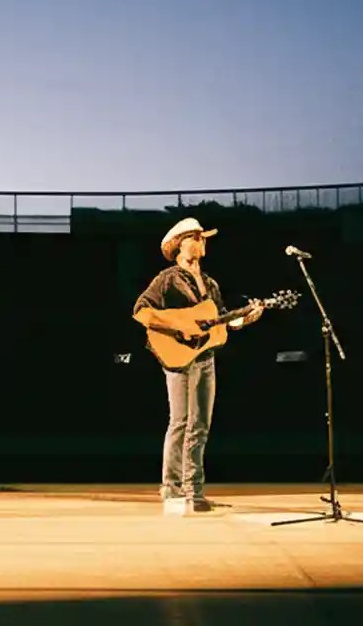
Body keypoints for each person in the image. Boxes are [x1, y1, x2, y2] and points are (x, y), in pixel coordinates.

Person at [132, 217, 262, 511]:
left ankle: (196, 492)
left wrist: (246, 317)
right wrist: (180, 326)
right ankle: (172, 487)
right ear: (181, 243)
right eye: (196, 237)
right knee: (180, 422)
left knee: (200, 425)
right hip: (178, 358)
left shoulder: (211, 284)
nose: (202, 242)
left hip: (206, 358)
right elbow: (141, 311)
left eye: (203, 238)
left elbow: (221, 321)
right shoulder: (167, 279)